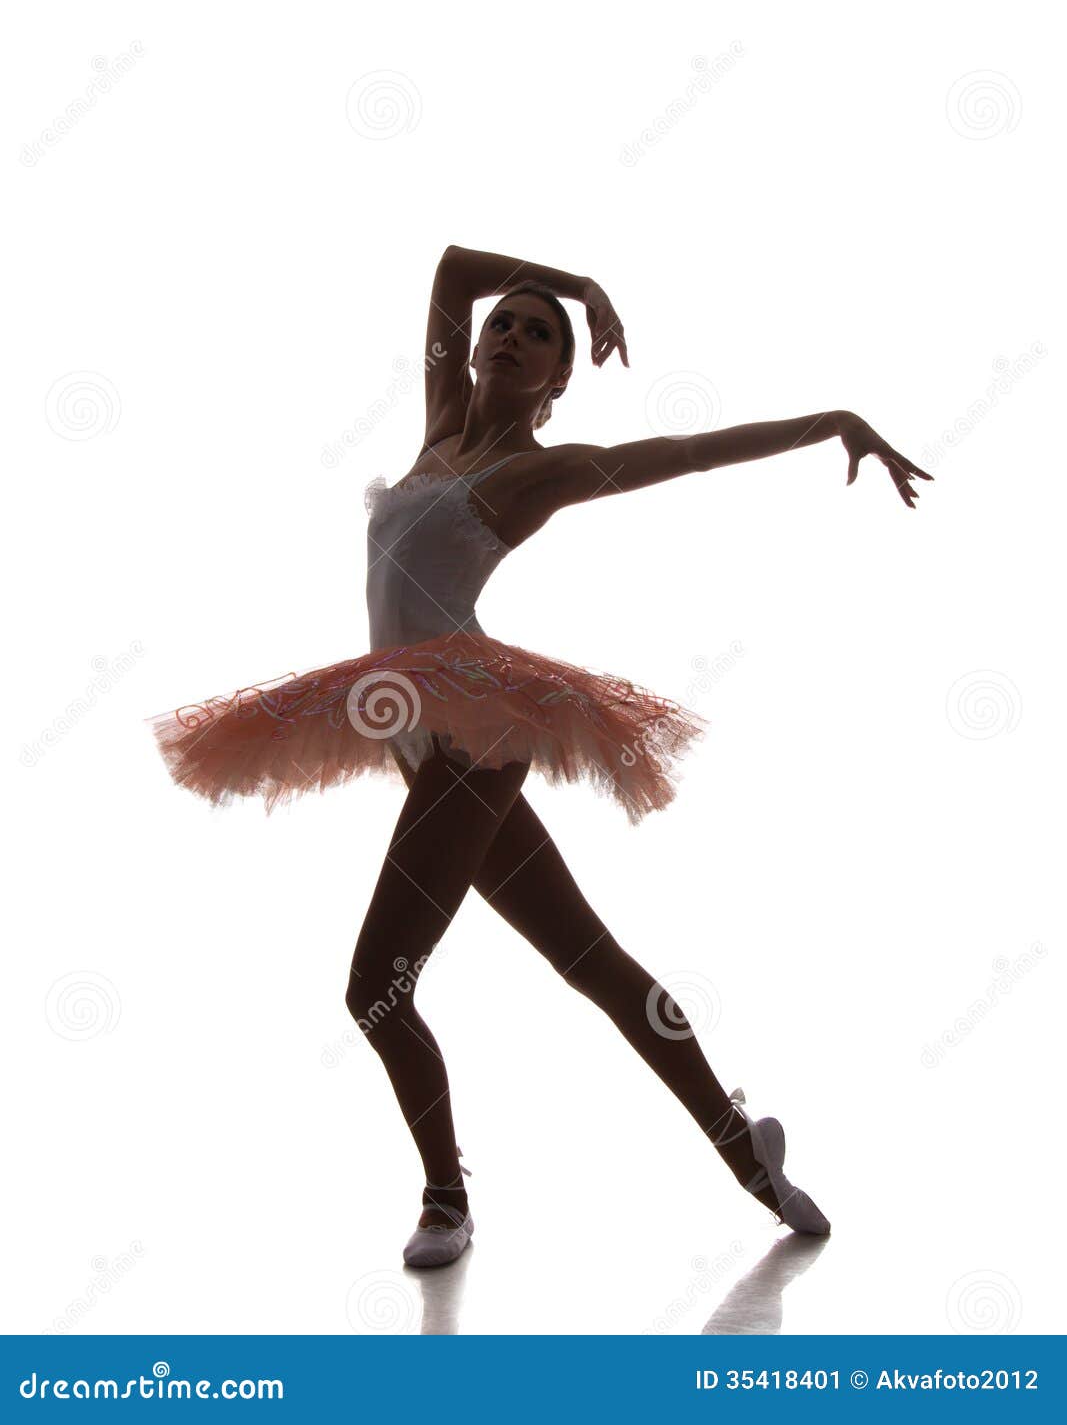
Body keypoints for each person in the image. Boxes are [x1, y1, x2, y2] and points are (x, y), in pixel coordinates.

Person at [145, 243, 932, 1267]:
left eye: (539, 335)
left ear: (557, 381)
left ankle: (444, 1197)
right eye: (504, 326)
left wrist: (829, 421)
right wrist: (574, 282)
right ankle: (746, 1150)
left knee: (374, 981)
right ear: (476, 351)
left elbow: (688, 450)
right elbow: (447, 268)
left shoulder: (539, 472)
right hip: (404, 724)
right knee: (593, 962)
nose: (512, 335)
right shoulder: (436, 430)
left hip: (474, 734)